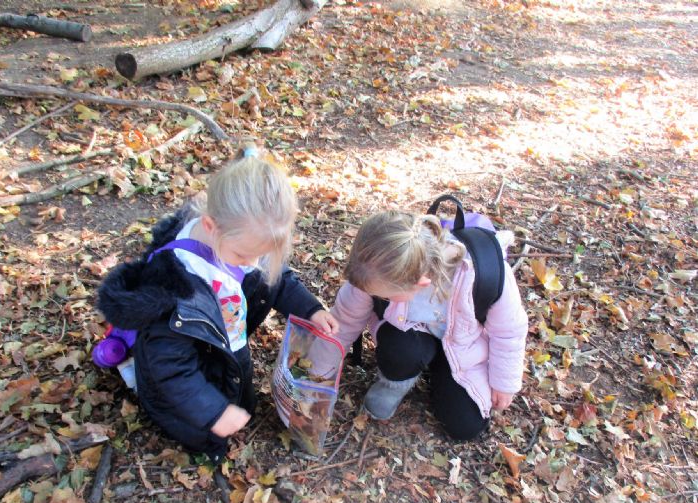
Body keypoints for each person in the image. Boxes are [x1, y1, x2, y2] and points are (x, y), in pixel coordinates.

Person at [96, 146, 338, 462]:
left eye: (260, 255)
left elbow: (276, 279)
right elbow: (169, 367)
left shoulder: (242, 240)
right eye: (243, 256)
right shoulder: (176, 290)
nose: (253, 263)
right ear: (211, 227)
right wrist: (213, 413)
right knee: (203, 432)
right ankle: (206, 435)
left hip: (221, 346)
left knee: (239, 400)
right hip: (177, 384)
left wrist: (310, 309)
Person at [330, 211, 527, 441]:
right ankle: (395, 383)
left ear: (419, 285)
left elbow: (509, 333)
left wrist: (503, 384)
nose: (373, 297)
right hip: (410, 336)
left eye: (382, 296)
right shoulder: (376, 266)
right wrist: (318, 373)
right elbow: (345, 321)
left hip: (464, 345)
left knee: (466, 427)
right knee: (399, 352)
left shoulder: (485, 275)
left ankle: (442, 372)